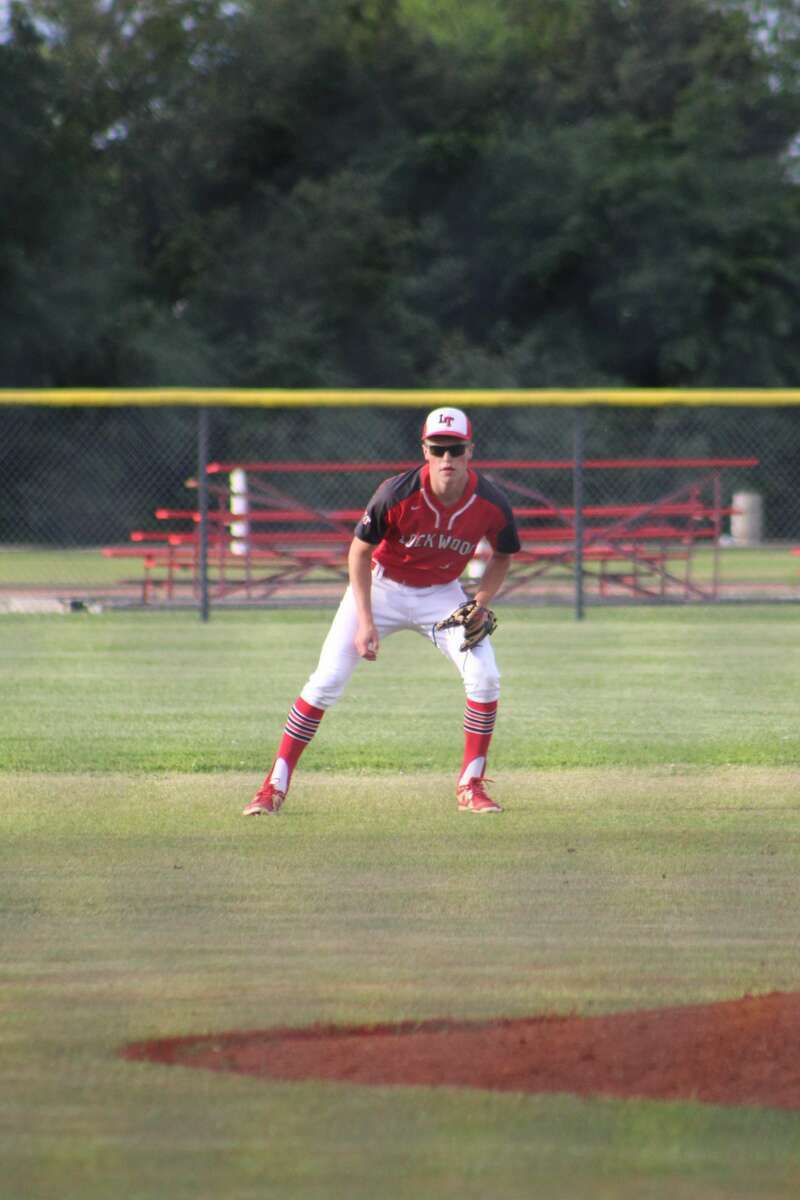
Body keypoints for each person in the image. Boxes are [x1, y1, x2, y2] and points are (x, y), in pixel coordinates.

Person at [243, 406, 521, 816]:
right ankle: (272, 787)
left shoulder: (491, 502)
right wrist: (366, 621)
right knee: (325, 682)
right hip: (381, 588)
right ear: (424, 450)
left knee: (485, 677)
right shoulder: (396, 492)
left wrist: (480, 604)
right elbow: (358, 552)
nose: (447, 457)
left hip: (443, 595)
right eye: (438, 448)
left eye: (455, 448)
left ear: (470, 451)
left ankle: (470, 786)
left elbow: (503, 554)